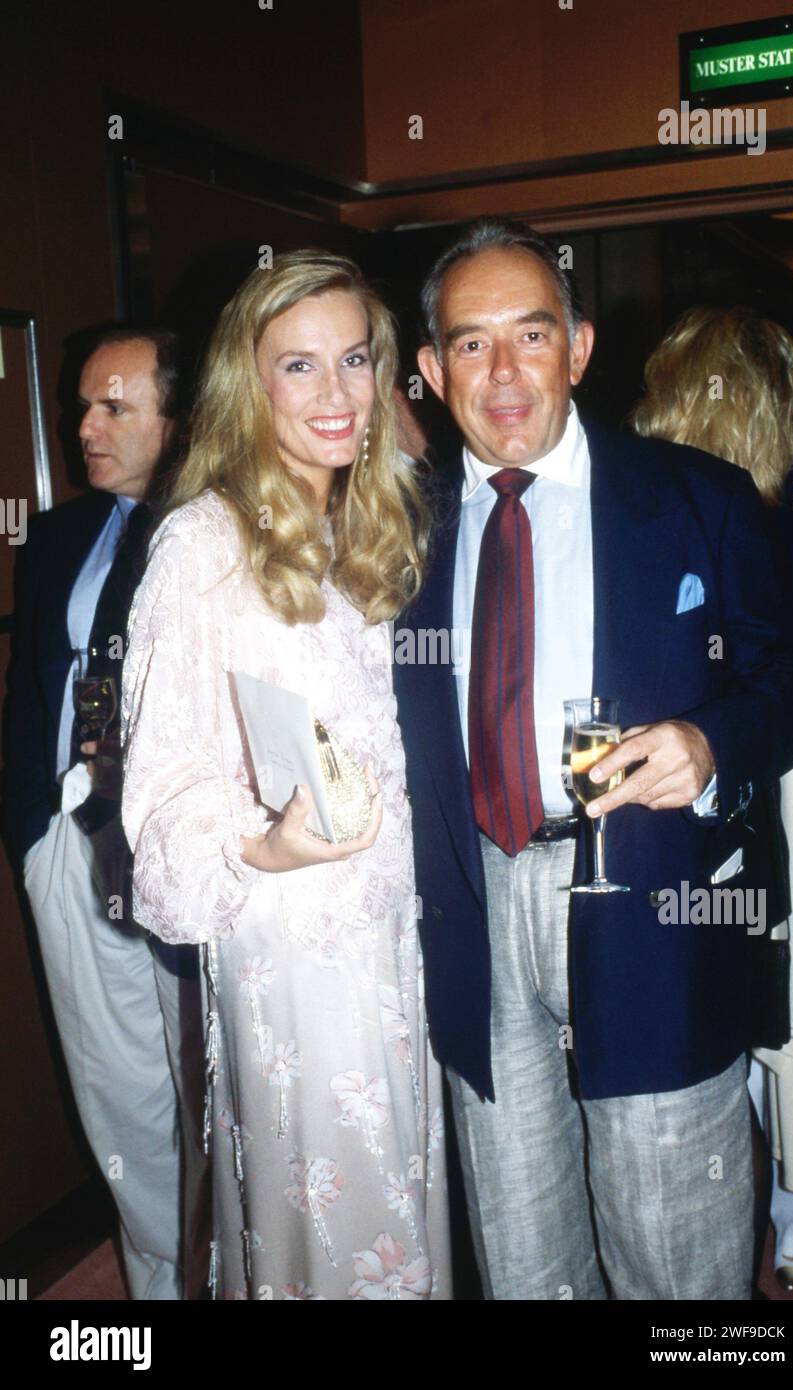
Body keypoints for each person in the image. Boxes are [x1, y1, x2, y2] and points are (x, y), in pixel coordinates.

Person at [393, 218, 793, 1300]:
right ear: (431, 368)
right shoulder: (398, 528)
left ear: (577, 348)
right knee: (521, 1243)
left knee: (672, 1237)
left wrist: (710, 739)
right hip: (474, 906)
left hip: (653, 903)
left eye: (531, 336)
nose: (503, 373)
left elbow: (789, 683)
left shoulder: (696, 498)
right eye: (472, 343)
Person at [121, 251, 452, 1301]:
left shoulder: (374, 525)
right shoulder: (202, 544)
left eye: (354, 359)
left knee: (404, 1208)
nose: (338, 392)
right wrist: (267, 843)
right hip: (295, 947)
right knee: (342, 1230)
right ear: (246, 383)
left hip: (398, 934)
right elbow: (164, 798)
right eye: (299, 366)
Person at [632, 304, 793, 1294]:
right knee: (789, 1023)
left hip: (790, 809)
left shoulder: (766, 524)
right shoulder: (732, 520)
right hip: (757, 822)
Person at [3, 327, 208, 1299]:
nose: (84, 425)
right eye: (81, 404)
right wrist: (31, 829)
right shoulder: (55, 539)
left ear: (176, 418)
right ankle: (159, 1281)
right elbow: (27, 696)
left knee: (208, 1095)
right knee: (116, 1093)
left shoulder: (218, 532)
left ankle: (225, 1272)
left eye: (113, 406)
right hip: (69, 849)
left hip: (176, 849)